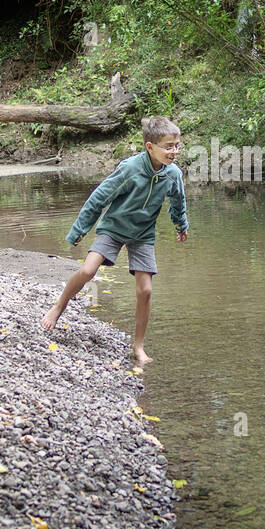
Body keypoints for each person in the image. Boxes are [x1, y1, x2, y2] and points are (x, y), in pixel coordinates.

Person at [40, 116, 188, 365]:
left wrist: (181, 225)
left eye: (177, 146)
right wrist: (79, 230)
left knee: (146, 290)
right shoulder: (130, 168)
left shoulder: (173, 174)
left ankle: (138, 346)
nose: (174, 151)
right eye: (168, 146)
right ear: (150, 147)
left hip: (142, 235)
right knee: (87, 271)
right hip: (113, 228)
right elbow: (99, 198)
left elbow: (178, 202)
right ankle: (59, 305)